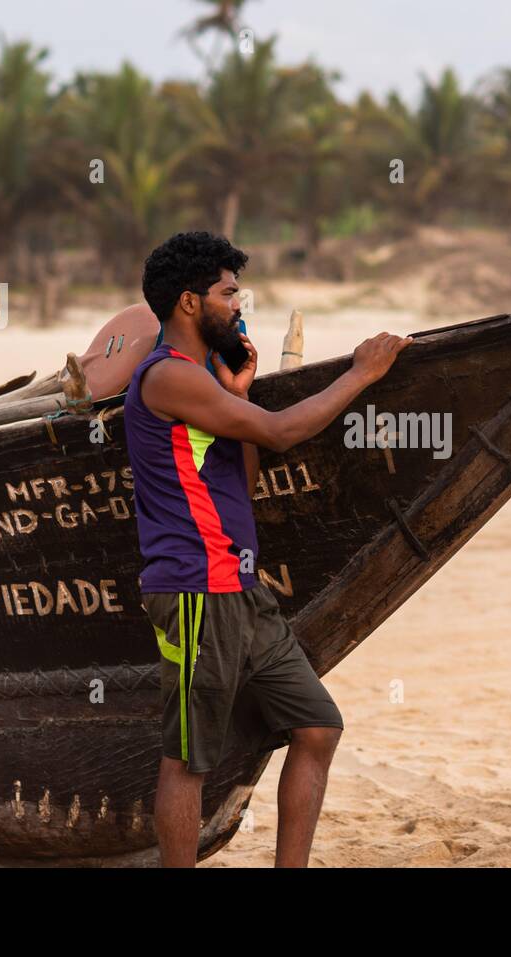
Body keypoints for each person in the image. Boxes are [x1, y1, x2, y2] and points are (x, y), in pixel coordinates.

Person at [123, 230, 411, 867]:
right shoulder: (169, 377)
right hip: (196, 588)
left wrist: (241, 397)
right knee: (189, 762)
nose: (240, 305)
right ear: (190, 304)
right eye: (229, 293)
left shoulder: (206, 383)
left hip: (242, 587)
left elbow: (243, 484)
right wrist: (362, 372)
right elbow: (282, 435)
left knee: (317, 727)